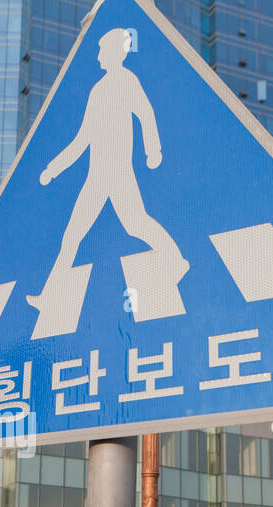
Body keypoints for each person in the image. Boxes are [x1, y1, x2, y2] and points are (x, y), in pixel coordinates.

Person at [27, 28, 187, 312]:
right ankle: (51, 297)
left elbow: (146, 113)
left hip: (119, 173)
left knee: (135, 224)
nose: (98, 55)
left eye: (102, 50)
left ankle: (176, 261)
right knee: (72, 235)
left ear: (114, 52)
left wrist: (154, 151)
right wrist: (54, 168)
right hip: (97, 177)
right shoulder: (97, 90)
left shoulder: (127, 80)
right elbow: (82, 138)